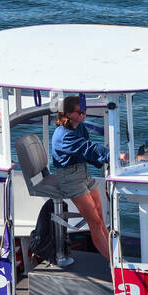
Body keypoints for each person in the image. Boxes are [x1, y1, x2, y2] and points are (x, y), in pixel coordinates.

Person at [51, 96, 122, 263]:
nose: (84, 114)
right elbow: (88, 148)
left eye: (85, 111)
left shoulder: (80, 128)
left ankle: (115, 258)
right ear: (68, 114)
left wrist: (106, 160)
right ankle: (114, 266)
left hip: (83, 172)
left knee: (100, 218)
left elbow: (86, 151)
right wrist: (110, 155)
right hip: (69, 178)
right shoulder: (64, 136)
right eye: (80, 112)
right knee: (95, 223)